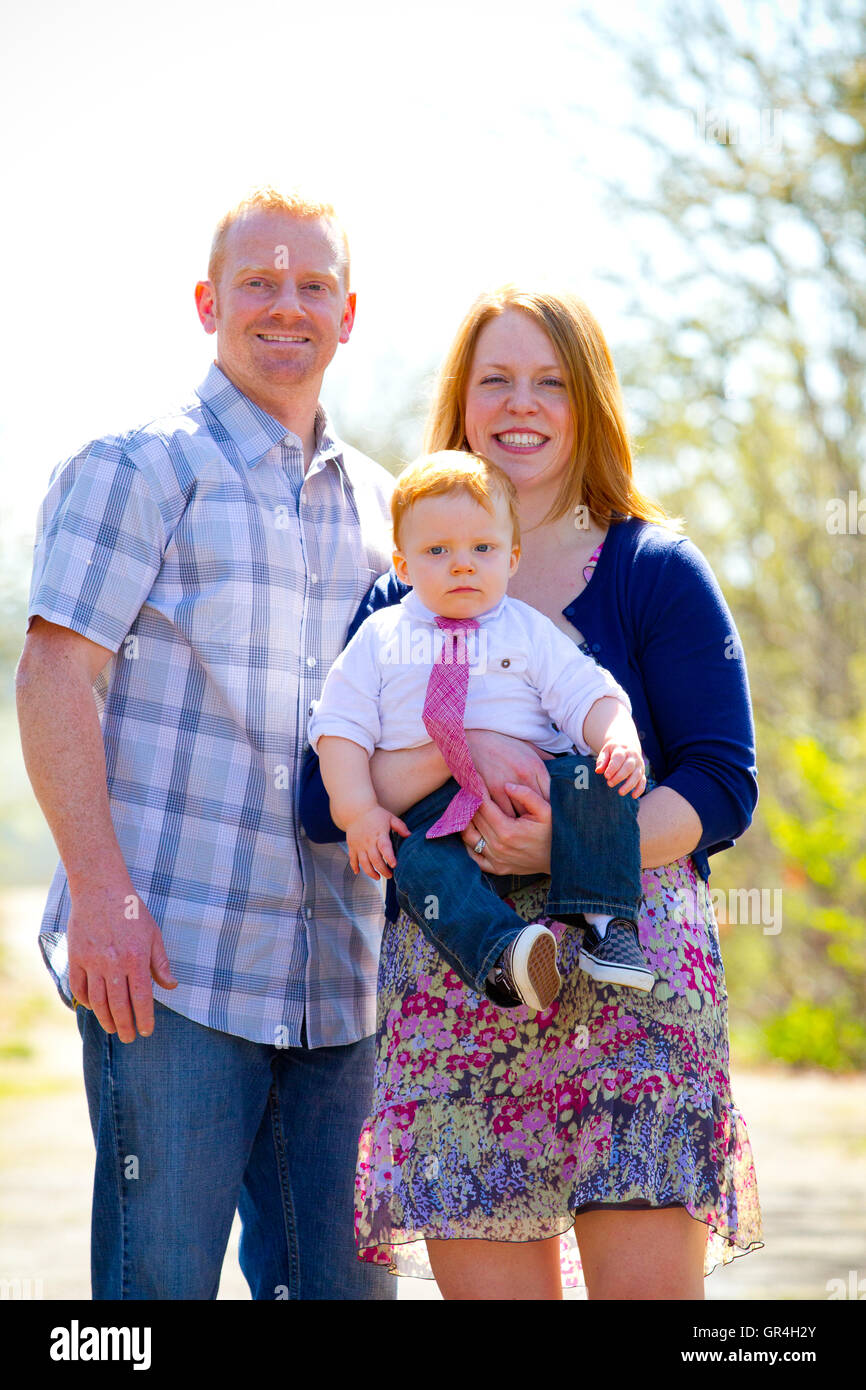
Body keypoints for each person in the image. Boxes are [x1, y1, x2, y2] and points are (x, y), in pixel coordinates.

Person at [301, 285, 762, 1299]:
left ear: (586, 401)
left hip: (630, 985)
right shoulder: (406, 591)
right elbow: (323, 789)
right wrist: (463, 742)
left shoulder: (653, 571)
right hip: (462, 985)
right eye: (495, 380)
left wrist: (567, 848)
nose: (521, 404)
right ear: (461, 403)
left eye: (549, 382)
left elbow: (720, 784)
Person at [15, 187, 397, 1300]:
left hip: (342, 980)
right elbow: (52, 673)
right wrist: (100, 891)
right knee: (155, 1293)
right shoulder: (135, 466)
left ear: (347, 312)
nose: (288, 306)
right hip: (171, 965)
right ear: (208, 302)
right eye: (259, 283)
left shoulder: (381, 508)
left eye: (313, 285)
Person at [310, 448, 654, 1011]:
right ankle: (505, 953)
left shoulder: (527, 629)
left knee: (600, 783)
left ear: (512, 558)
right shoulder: (381, 635)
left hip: (536, 782)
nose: (462, 564)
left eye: (483, 548)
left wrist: (616, 735)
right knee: (417, 868)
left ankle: (607, 920)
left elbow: (584, 690)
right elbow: (340, 728)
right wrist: (359, 812)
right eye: (437, 550)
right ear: (402, 565)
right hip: (431, 807)